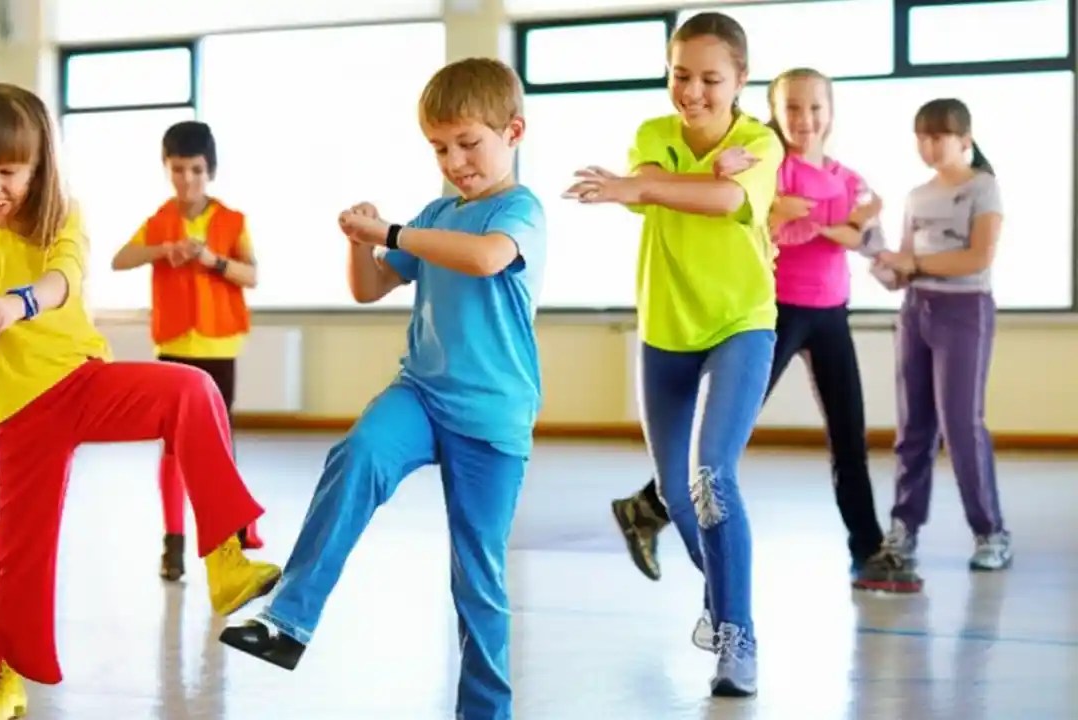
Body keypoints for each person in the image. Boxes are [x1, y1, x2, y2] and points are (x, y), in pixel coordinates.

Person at [0, 83, 281, 720]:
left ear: (38, 166)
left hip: (86, 384)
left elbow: (65, 280)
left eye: (8, 172)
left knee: (191, 389)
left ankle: (226, 558)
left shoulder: (65, 216)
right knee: (19, 554)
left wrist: (17, 303)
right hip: (23, 411)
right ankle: (4, 680)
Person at [221, 57, 546, 720]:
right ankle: (289, 622)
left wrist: (393, 232)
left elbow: (485, 258)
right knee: (361, 450)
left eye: (468, 144)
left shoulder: (520, 209)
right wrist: (357, 241)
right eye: (440, 149)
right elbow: (369, 287)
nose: (455, 162)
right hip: (422, 394)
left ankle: (486, 713)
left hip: (491, 419)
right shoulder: (436, 212)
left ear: (513, 131)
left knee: (477, 579)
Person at [612, 68, 924, 595]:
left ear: (831, 113)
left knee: (849, 433)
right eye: (793, 108)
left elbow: (864, 235)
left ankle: (866, 550)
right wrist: (817, 220)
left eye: (815, 108)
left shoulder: (846, 176)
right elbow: (761, 215)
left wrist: (839, 223)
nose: (805, 119)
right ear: (775, 113)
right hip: (773, 310)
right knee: (728, 433)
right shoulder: (769, 163)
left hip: (830, 313)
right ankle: (652, 503)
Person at [564, 11, 779, 697]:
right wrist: (650, 181)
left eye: (710, 79)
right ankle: (724, 609)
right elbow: (659, 175)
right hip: (664, 332)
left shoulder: (761, 142)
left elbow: (721, 201)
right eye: (679, 75)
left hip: (740, 325)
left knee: (712, 475)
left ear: (740, 80)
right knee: (678, 497)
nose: (691, 92)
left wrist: (645, 187)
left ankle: (737, 637)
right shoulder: (653, 135)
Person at [110, 120, 264, 582]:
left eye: (195, 170)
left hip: (218, 345)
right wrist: (164, 250)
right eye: (178, 170)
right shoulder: (160, 220)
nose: (187, 180)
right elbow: (121, 259)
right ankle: (172, 543)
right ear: (167, 169)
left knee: (218, 447)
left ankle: (229, 541)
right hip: (175, 346)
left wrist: (210, 260)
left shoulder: (233, 221)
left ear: (209, 170)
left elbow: (251, 275)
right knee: (175, 451)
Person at [873, 98, 1010, 572]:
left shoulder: (983, 187)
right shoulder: (916, 195)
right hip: (916, 311)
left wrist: (914, 263)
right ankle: (903, 528)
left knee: (962, 426)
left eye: (939, 136)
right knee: (913, 427)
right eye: (922, 137)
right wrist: (889, 269)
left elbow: (978, 257)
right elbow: (907, 264)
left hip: (965, 310)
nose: (929, 145)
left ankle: (990, 532)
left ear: (964, 140)